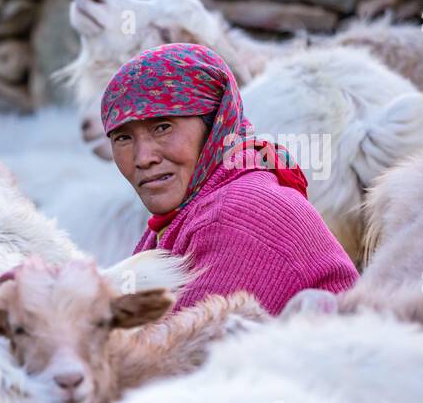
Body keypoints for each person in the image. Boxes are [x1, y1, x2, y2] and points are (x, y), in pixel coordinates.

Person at [101, 43, 358, 315]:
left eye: (163, 127)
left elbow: (187, 352)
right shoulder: (184, 213)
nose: (142, 158)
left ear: (216, 125)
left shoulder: (235, 212)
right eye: (123, 138)